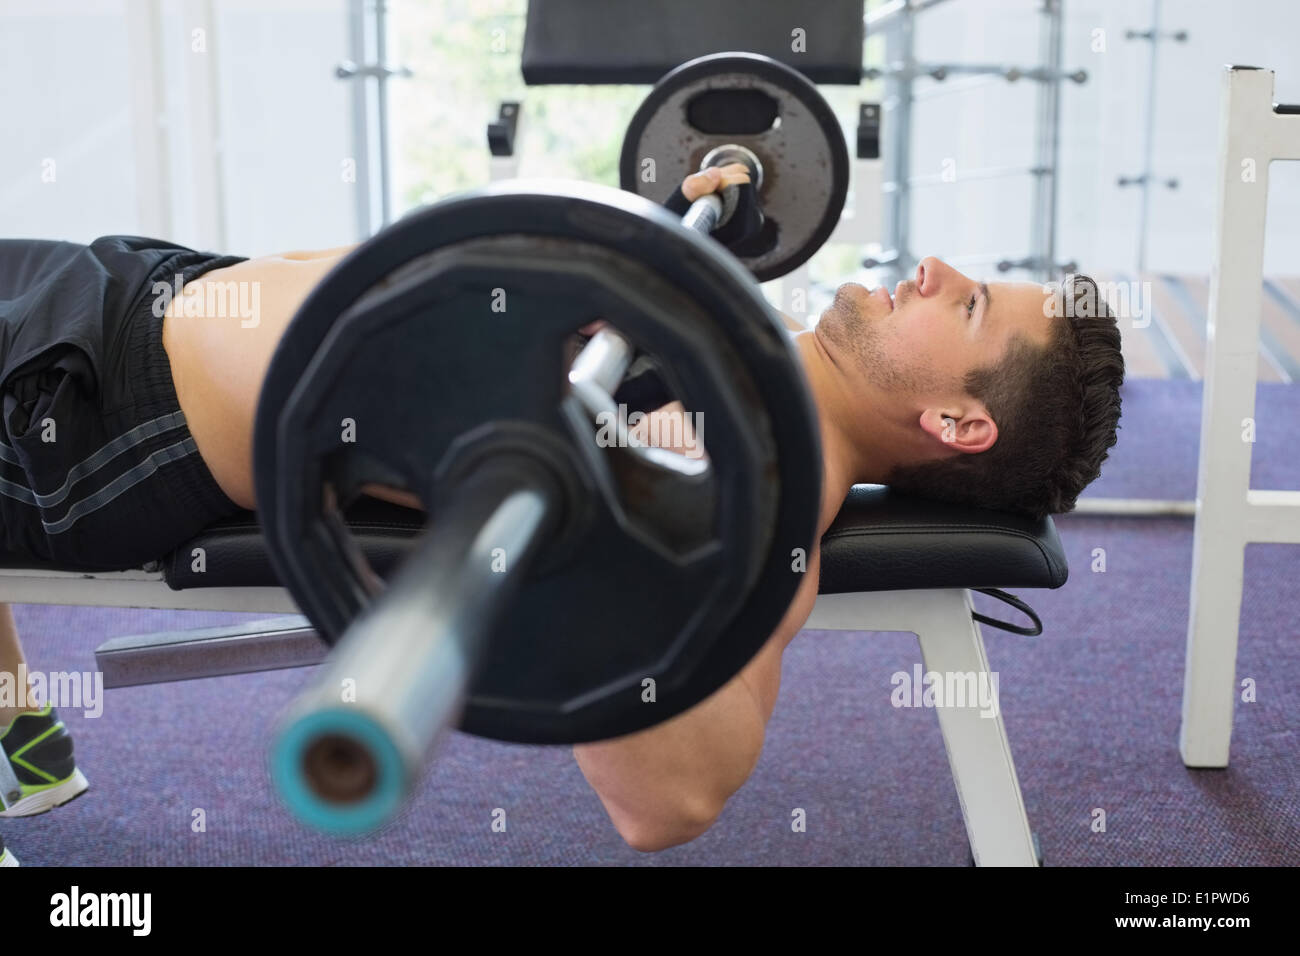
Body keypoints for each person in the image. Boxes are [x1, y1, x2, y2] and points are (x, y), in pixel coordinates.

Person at [0, 164, 1123, 862]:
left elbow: (671, 800)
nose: (929, 267)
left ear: (955, 423)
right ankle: (24, 739)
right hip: (125, 293)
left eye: (966, 302)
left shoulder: (765, 482)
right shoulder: (744, 350)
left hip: (86, 406)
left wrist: (619, 517)